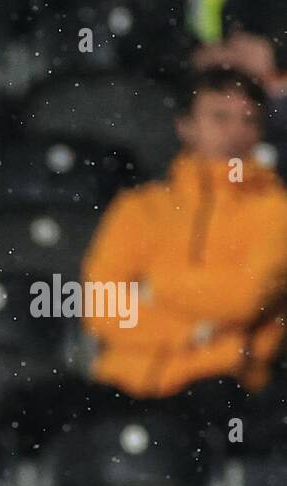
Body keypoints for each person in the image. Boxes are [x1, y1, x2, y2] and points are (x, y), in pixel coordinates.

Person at [81, 67, 287, 407]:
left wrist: (154, 288)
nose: (235, 131)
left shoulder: (275, 209)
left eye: (249, 120)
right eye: (220, 117)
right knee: (33, 408)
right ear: (185, 126)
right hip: (123, 381)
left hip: (221, 386)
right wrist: (195, 331)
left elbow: (246, 297)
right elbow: (100, 306)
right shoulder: (139, 207)